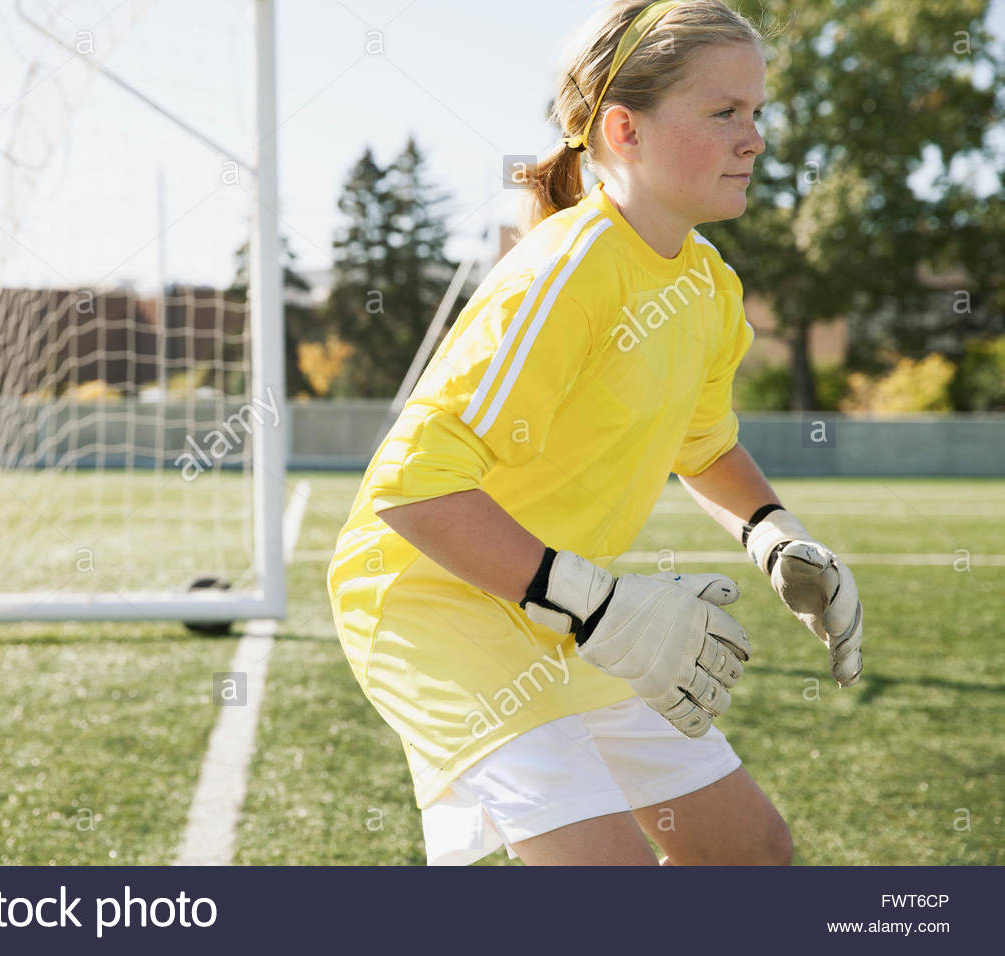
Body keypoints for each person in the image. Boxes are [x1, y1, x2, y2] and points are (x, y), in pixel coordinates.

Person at [325, 0, 864, 866]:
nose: (754, 139)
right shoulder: (563, 275)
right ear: (625, 130)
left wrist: (776, 536)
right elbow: (413, 490)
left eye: (757, 113)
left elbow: (706, 445)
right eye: (724, 113)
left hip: (564, 607)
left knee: (751, 855)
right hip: (436, 604)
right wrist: (599, 604)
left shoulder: (708, 285)